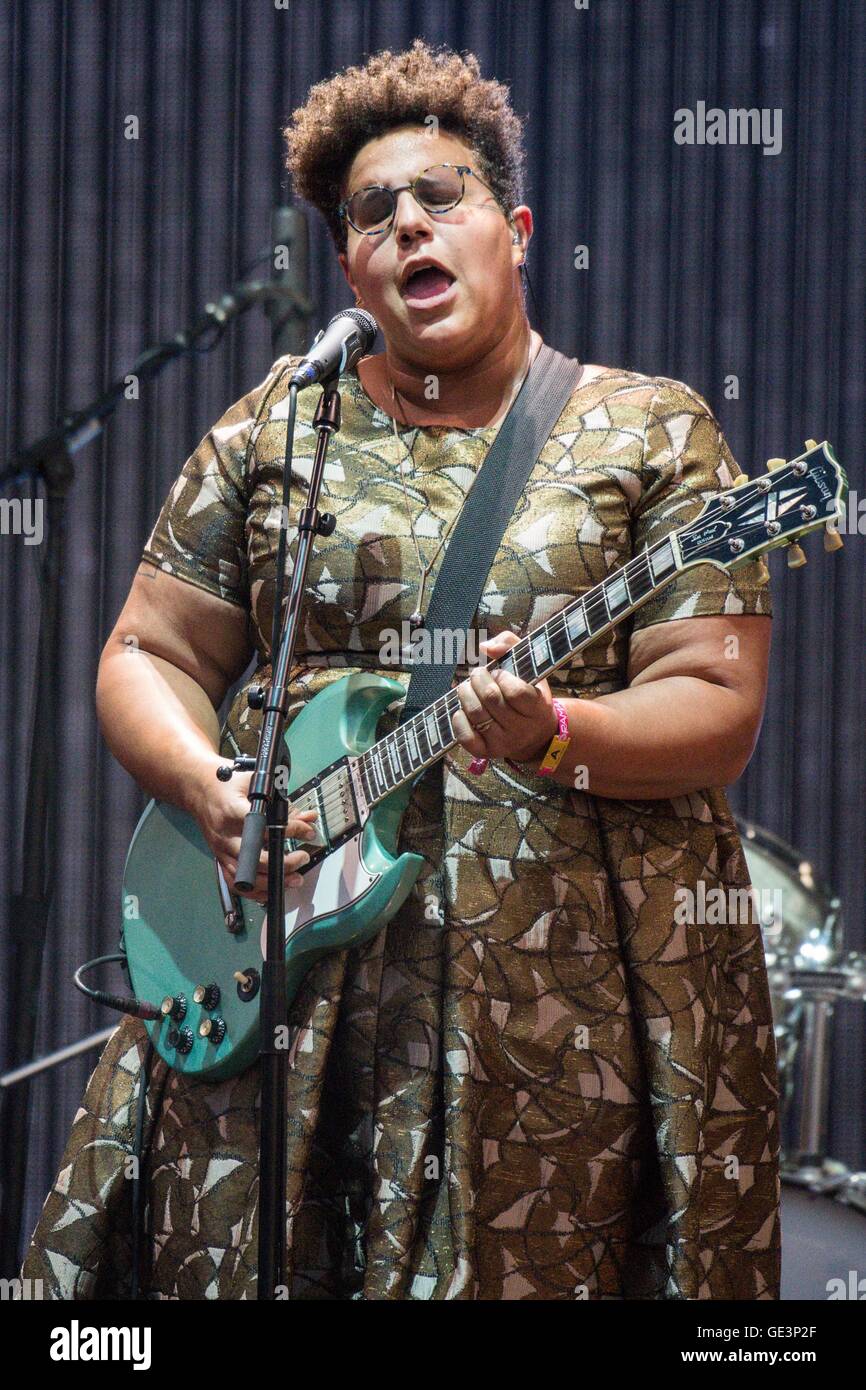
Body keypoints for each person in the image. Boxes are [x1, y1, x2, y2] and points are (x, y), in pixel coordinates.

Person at [20, 39, 780, 1300]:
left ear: (515, 227)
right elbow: (148, 651)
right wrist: (214, 786)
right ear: (347, 266)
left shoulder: (648, 426)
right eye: (373, 214)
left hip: (551, 999)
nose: (409, 227)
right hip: (285, 974)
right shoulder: (279, 421)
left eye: (443, 197)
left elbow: (716, 703)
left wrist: (555, 730)